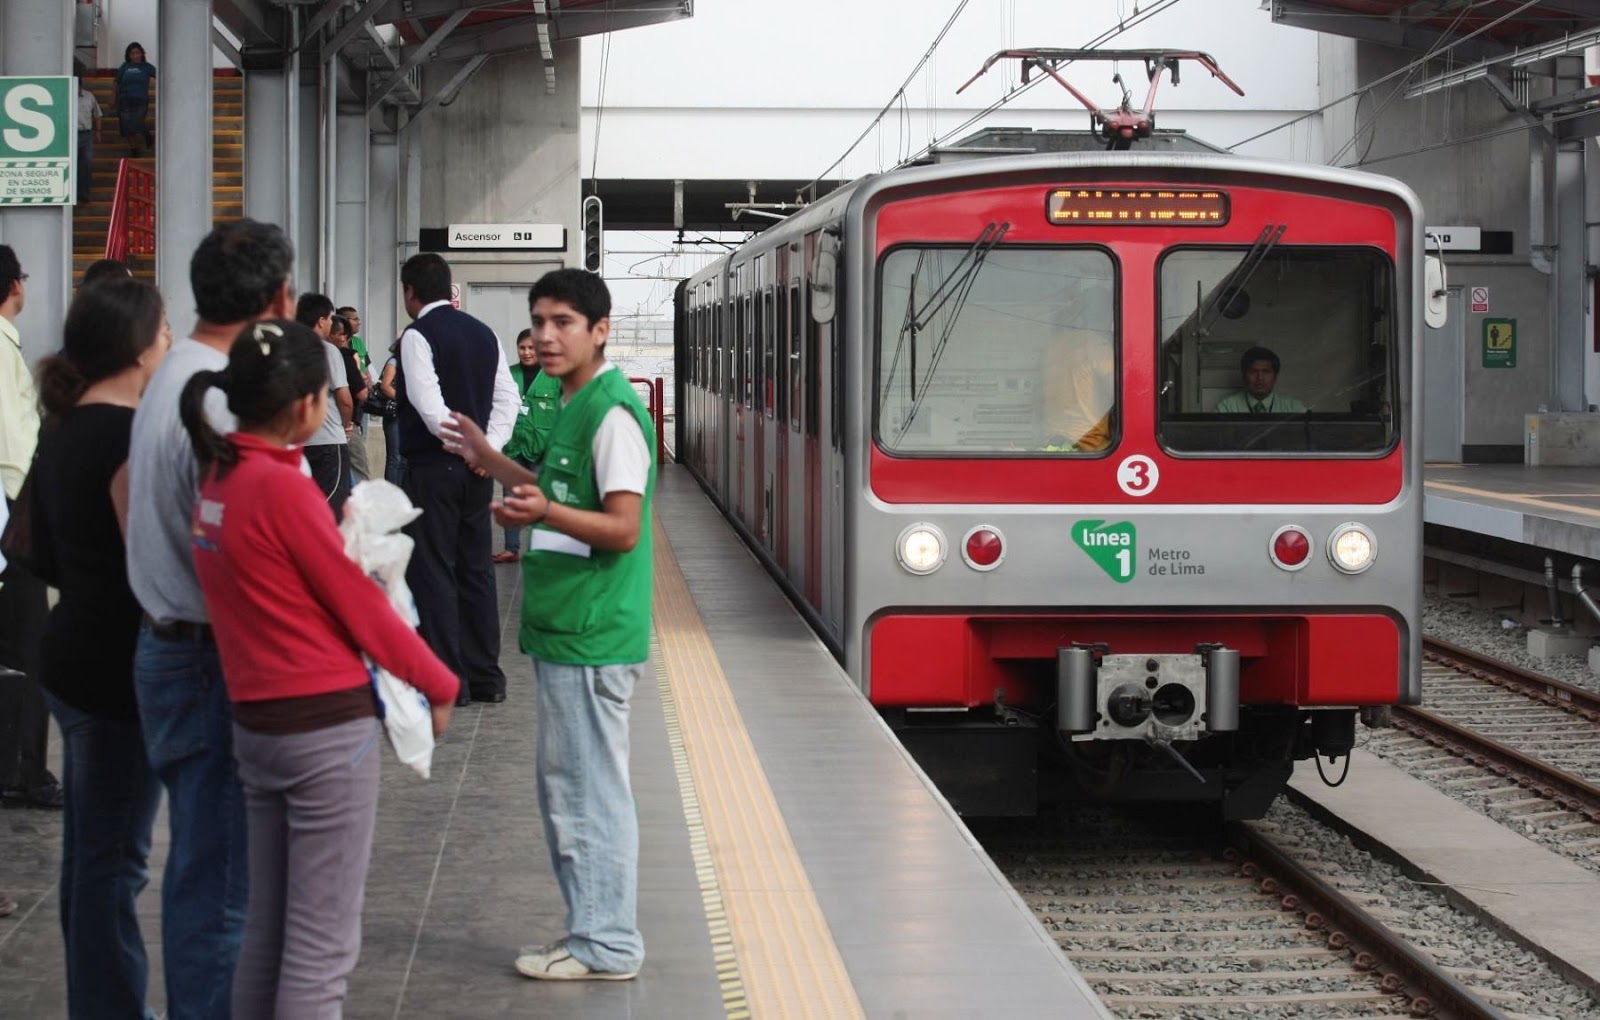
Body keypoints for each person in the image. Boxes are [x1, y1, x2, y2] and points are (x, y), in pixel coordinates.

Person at [180, 319, 458, 1020]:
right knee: (320, 952)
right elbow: (359, 608)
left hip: (258, 724)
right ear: (308, 405)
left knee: (268, 937)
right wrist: (438, 680)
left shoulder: (219, 478)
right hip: (322, 730)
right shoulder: (281, 488)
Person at [442, 268, 654, 982]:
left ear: (601, 329)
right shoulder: (568, 399)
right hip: (568, 629)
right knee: (571, 787)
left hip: (593, 634)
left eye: (564, 321)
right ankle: (592, 932)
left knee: (589, 792)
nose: (545, 335)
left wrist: (543, 516)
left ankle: (608, 944)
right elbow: (547, 490)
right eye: (539, 321)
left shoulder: (612, 414)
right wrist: (489, 458)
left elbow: (623, 528)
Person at [127, 218, 296, 1020]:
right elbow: (250, 547)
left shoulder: (173, 373)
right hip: (207, 662)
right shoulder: (222, 396)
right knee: (225, 885)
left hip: (167, 644)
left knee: (204, 870)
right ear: (277, 300)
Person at [32, 278, 172, 1018]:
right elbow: (153, 566)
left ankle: (98, 1000)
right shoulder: (128, 437)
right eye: (164, 330)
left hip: (72, 656)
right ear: (136, 345)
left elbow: (31, 548)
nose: (170, 344)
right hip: (118, 673)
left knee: (92, 853)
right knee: (114, 860)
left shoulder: (63, 425)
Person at [392, 254, 518, 705]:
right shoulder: (485, 334)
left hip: (434, 470)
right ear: (449, 289)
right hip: (478, 474)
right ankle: (487, 677)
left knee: (435, 572)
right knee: (477, 570)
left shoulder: (417, 336)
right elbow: (508, 398)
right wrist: (488, 449)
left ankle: (451, 683)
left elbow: (429, 406)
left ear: (410, 291)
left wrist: (467, 447)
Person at [0, 246, 62, 812]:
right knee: (28, 647)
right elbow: (14, 443)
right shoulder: (1, 349)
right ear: (13, 286)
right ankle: (24, 772)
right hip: (9, 524)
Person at [493, 328, 562, 564]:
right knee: (511, 497)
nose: (526, 352)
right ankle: (511, 548)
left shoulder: (555, 376)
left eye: (532, 348)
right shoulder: (507, 375)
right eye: (522, 348)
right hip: (514, 447)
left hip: (543, 449)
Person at [295, 294, 353, 517]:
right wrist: (346, 426)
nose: (331, 323)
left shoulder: (288, 350)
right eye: (330, 319)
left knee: (303, 507)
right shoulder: (327, 351)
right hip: (328, 440)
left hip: (297, 442)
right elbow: (345, 398)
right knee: (332, 508)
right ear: (320, 320)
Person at [331, 314, 371, 483]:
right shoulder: (344, 357)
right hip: (346, 425)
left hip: (327, 427)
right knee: (359, 470)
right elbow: (358, 395)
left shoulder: (313, 355)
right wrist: (348, 425)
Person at [1214, 346, 1306, 414]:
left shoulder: (1294, 407)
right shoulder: (1226, 407)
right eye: (1253, 371)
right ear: (1244, 376)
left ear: (1275, 377)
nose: (1260, 378)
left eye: (1266, 372)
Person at [114, 43, 156, 158]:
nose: (135, 55)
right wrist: (113, 97)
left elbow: (161, 76)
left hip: (140, 100)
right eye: (132, 53)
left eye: (137, 53)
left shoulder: (147, 67)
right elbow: (117, 82)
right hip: (124, 100)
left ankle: (147, 136)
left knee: (137, 122)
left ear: (142, 54)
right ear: (129, 55)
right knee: (126, 126)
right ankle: (134, 148)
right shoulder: (124, 66)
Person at [377, 340, 404, 486]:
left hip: (404, 415)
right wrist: (403, 399)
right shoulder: (394, 361)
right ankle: (393, 489)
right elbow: (385, 386)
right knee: (395, 458)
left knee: (403, 458)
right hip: (394, 414)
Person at [75, 63, 101, 207]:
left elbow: (97, 115)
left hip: (85, 134)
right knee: (73, 165)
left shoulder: (89, 96)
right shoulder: (66, 96)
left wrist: (98, 131)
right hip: (69, 134)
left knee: (86, 164)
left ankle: (84, 194)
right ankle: (73, 195)